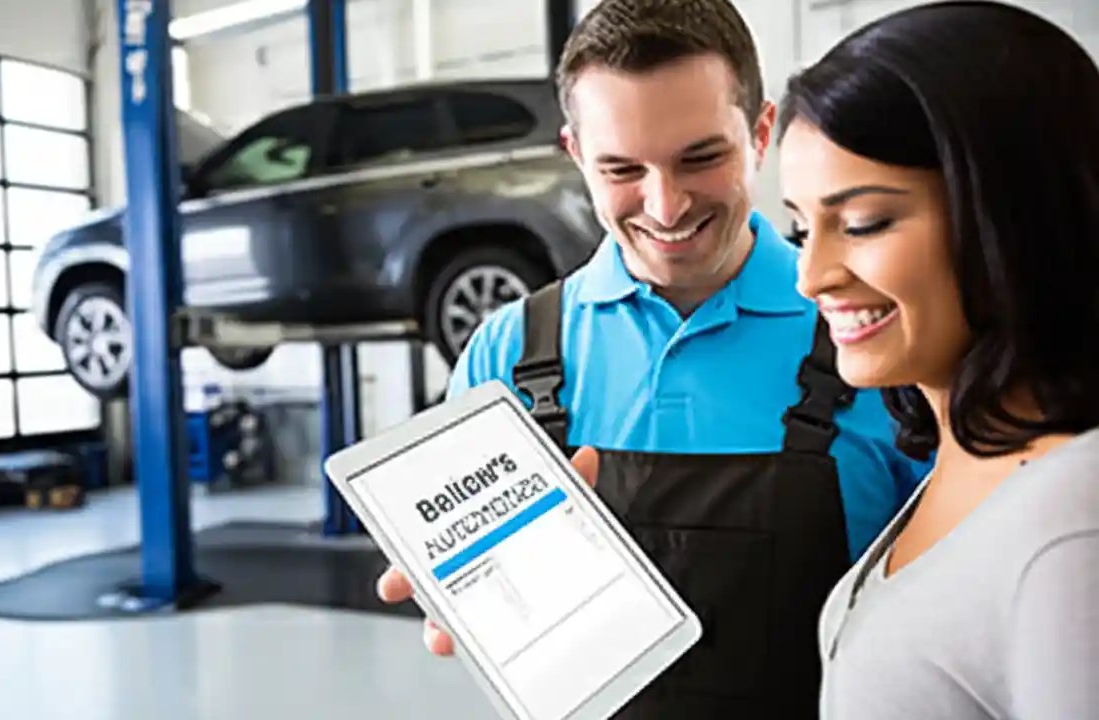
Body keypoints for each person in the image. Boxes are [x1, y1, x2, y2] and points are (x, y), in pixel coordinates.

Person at [376, 1, 930, 717]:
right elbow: (484, 599)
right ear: (576, 155)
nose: (666, 207)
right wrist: (463, 592)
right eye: (622, 169)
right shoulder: (507, 355)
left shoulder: (868, 331)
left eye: (701, 158)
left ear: (760, 133)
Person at [775, 3, 1099, 718]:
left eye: (863, 223)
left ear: (1013, 214)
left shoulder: (1074, 528)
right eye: (802, 228)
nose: (811, 275)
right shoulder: (964, 461)